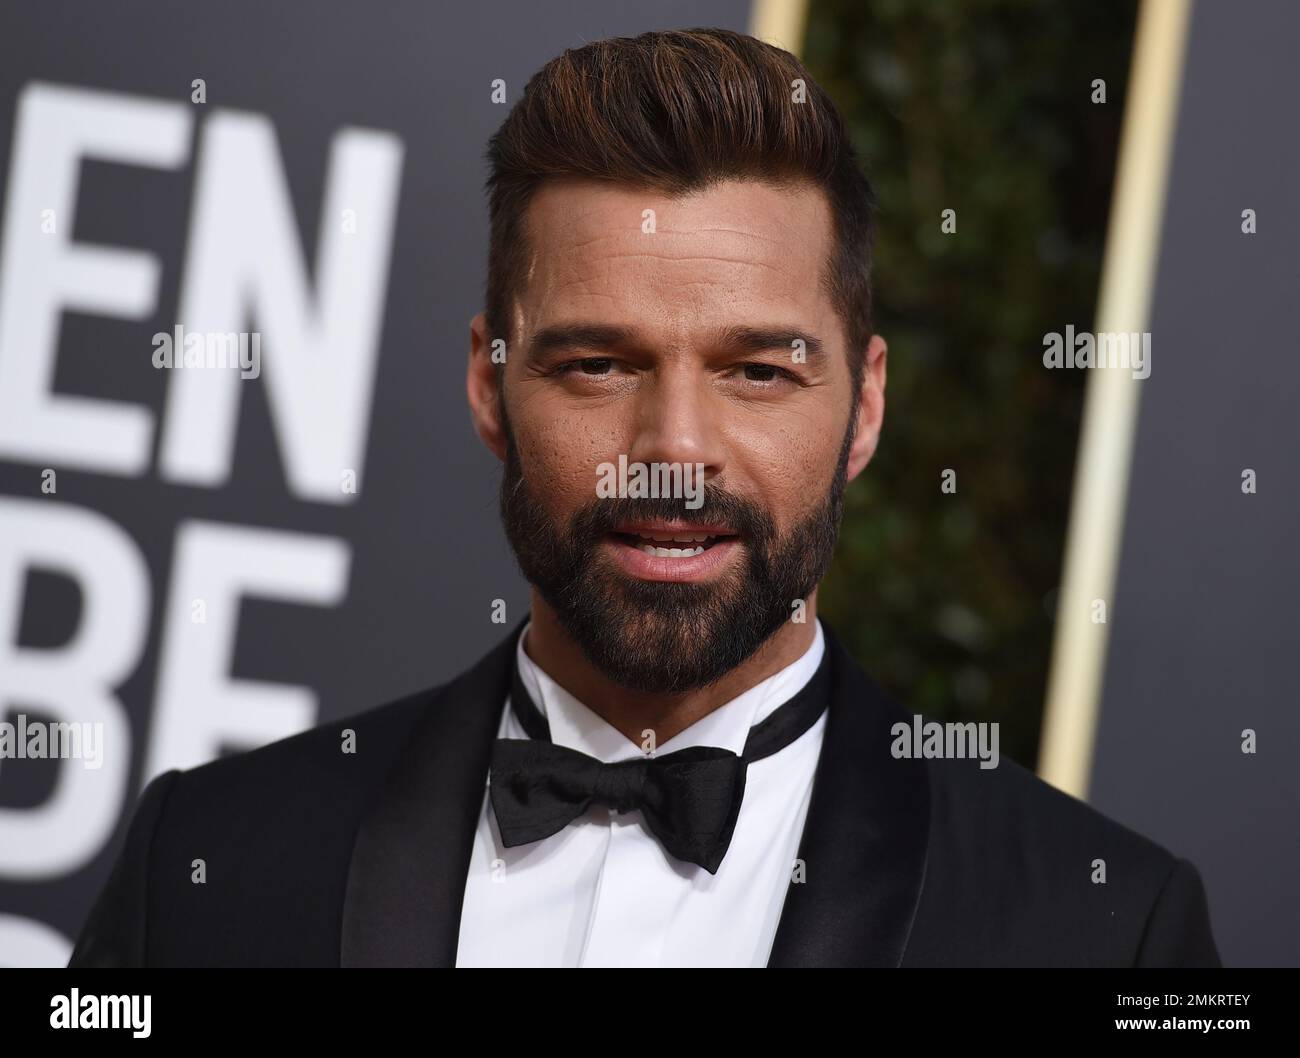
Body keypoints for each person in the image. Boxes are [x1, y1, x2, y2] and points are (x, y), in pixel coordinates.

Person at [69, 27, 1220, 968]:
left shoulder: (1105, 931)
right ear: (488, 384)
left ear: (864, 407)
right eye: (597, 364)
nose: (674, 451)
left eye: (757, 371)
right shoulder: (204, 864)